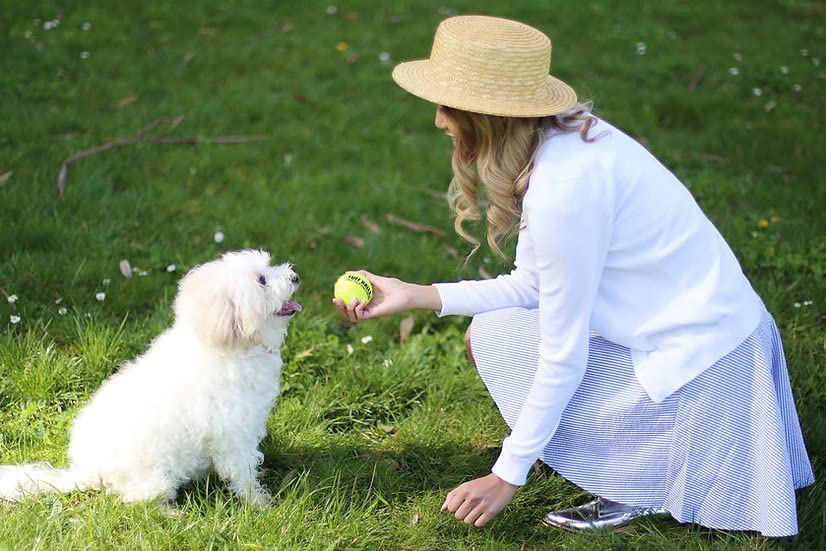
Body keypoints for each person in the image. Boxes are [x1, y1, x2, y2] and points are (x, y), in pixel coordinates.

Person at [332, 15, 814, 536]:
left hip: (708, 366)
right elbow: (531, 287)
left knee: (514, 346)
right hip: (683, 335)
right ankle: (612, 455)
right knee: (492, 333)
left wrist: (506, 475)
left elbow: (563, 355)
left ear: (483, 117)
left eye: (447, 105)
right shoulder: (563, 142)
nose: (438, 120)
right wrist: (413, 294)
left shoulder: (566, 187)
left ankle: (639, 484)